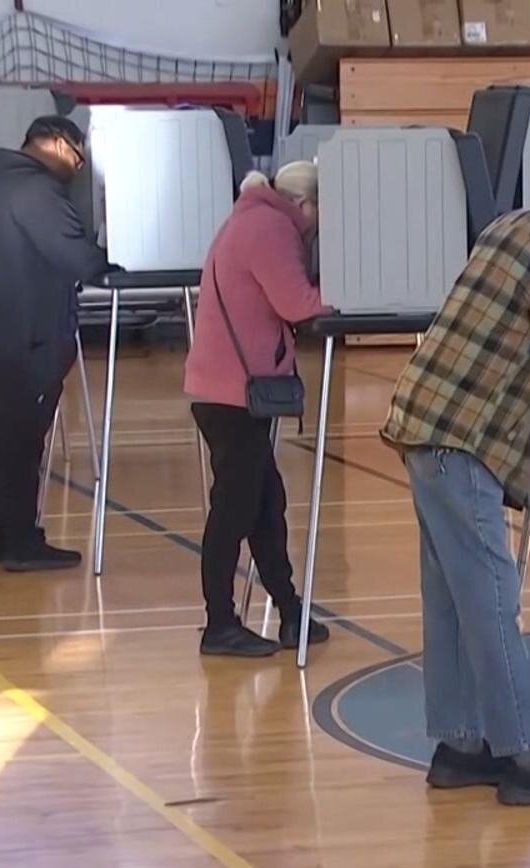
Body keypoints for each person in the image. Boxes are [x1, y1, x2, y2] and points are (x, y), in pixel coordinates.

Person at [381, 156, 530, 808]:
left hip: (426, 422)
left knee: (454, 600)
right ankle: (526, 758)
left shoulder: (522, 221)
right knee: (491, 602)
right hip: (466, 438)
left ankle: (460, 746)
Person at [0, 116, 107, 572]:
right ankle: (21, 543)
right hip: (15, 337)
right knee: (18, 440)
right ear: (51, 142)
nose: (76, 166)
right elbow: (79, 259)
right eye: (75, 154)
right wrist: (115, 256)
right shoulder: (37, 193)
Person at [186, 162, 334, 657]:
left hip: (222, 389)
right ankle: (219, 624)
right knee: (236, 511)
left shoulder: (248, 219)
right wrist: (349, 292)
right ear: (305, 205)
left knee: (264, 505)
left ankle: (290, 613)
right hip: (235, 393)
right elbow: (299, 303)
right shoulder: (270, 229)